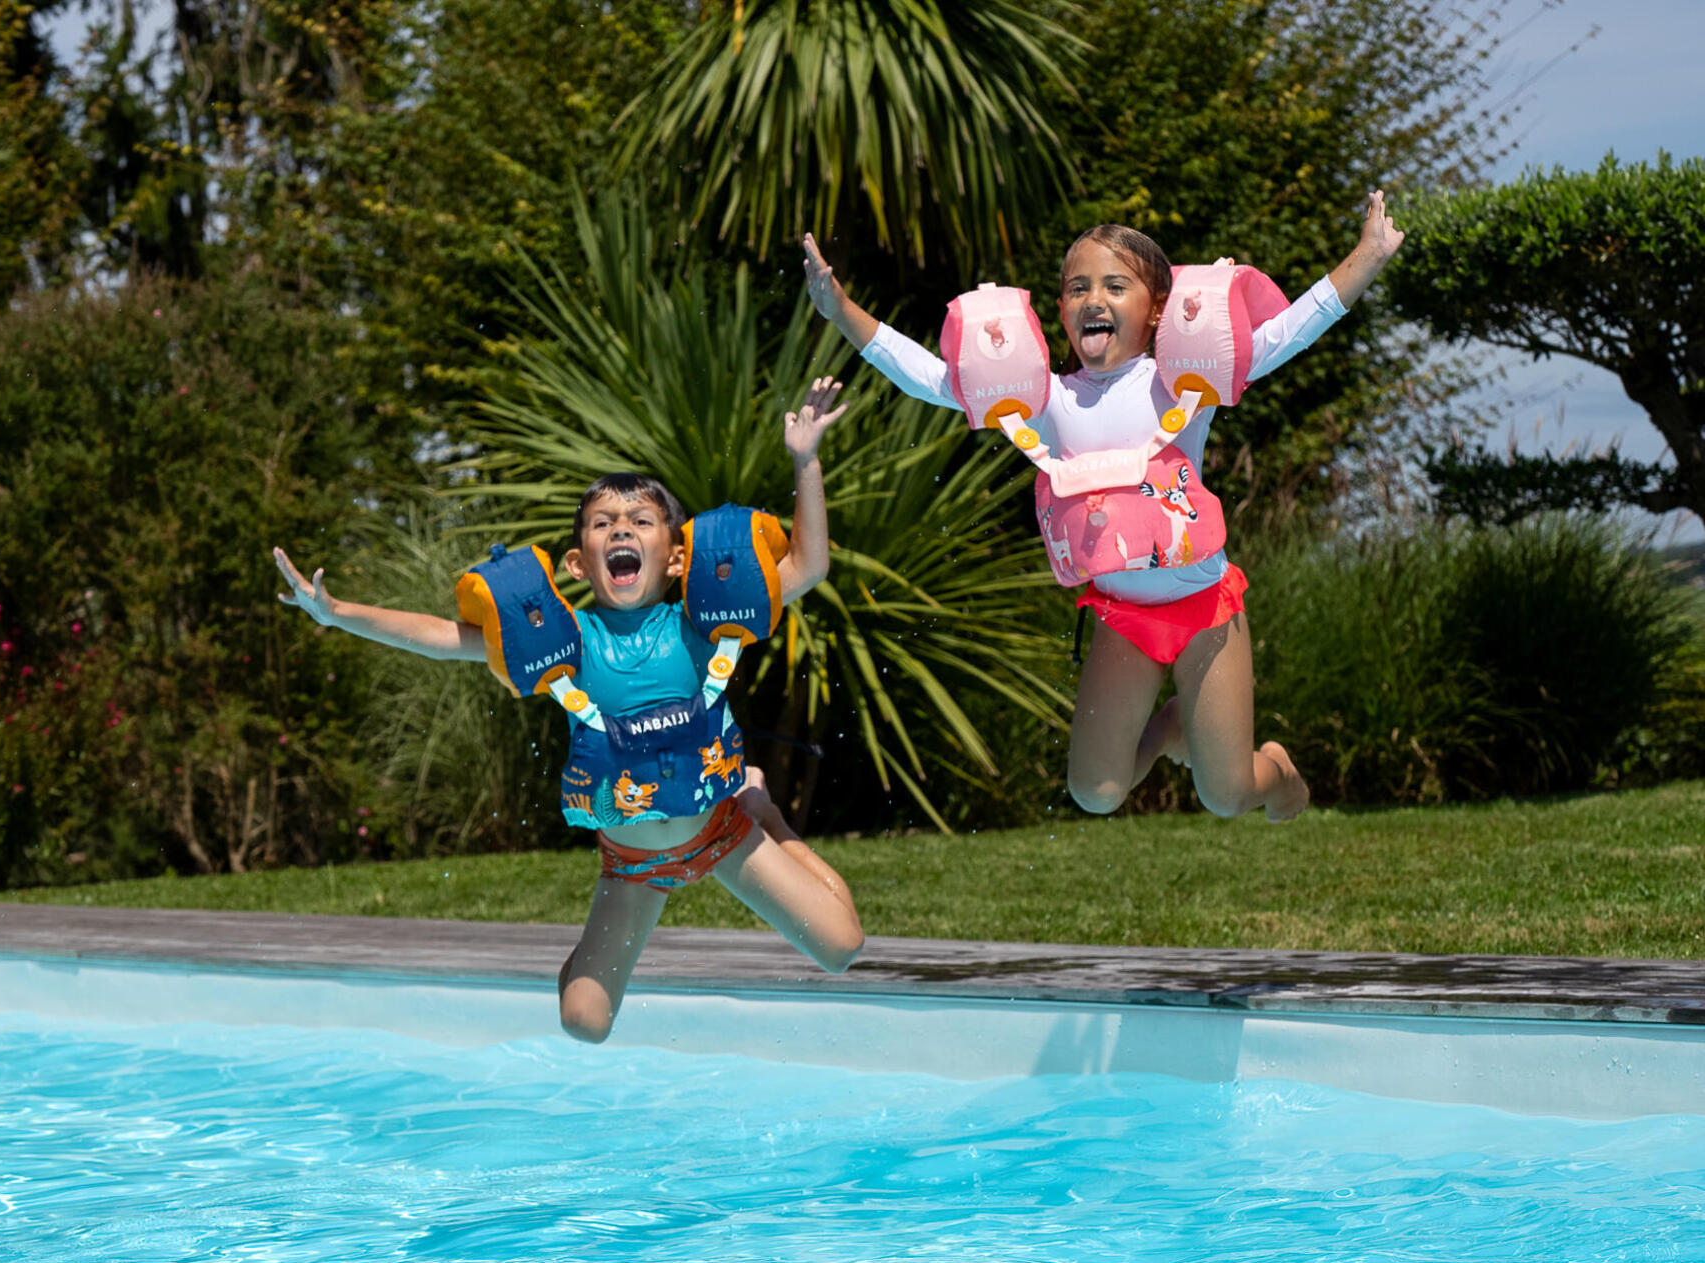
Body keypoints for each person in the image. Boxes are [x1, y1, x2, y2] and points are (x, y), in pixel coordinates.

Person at [272, 378, 865, 1042]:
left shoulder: (700, 625)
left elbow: (809, 566)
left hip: (723, 827)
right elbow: (442, 639)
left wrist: (805, 459)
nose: (622, 530)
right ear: (580, 563)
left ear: (673, 557)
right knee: (584, 1022)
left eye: (640, 522)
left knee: (841, 946)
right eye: (604, 524)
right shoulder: (569, 643)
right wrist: (337, 613)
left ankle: (768, 810)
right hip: (632, 858)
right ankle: (607, 947)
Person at [802, 192, 1405, 823]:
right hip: (1125, 616)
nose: (1094, 299)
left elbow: (1284, 335)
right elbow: (932, 378)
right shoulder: (1048, 402)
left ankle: (1279, 771)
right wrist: (841, 310)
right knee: (1095, 792)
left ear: (1157, 312)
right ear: (1059, 311)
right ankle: (1174, 728)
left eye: (1116, 285)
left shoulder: (1181, 382)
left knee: (1225, 796)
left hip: (1203, 605)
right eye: (1077, 287)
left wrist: (1365, 256)